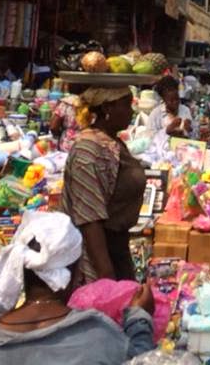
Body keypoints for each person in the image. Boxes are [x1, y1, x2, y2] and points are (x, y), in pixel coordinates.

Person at [0, 211, 154, 364]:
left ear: (21, 268)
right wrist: (139, 318)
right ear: (76, 272)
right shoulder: (99, 335)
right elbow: (143, 359)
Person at [62, 86, 146, 283]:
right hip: (99, 256)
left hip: (117, 248)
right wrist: (106, 278)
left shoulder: (112, 142)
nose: (131, 112)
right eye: (126, 105)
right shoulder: (88, 151)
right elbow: (90, 220)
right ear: (108, 108)